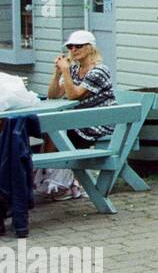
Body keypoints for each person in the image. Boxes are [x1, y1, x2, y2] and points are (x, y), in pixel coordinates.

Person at [43, 30, 115, 200]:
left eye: (78, 46)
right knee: (46, 129)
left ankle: (58, 181)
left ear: (90, 48)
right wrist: (58, 73)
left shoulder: (99, 71)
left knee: (55, 130)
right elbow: (53, 95)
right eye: (70, 46)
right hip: (82, 120)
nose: (73, 49)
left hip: (99, 124)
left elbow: (74, 95)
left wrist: (66, 72)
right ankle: (52, 178)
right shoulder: (75, 69)